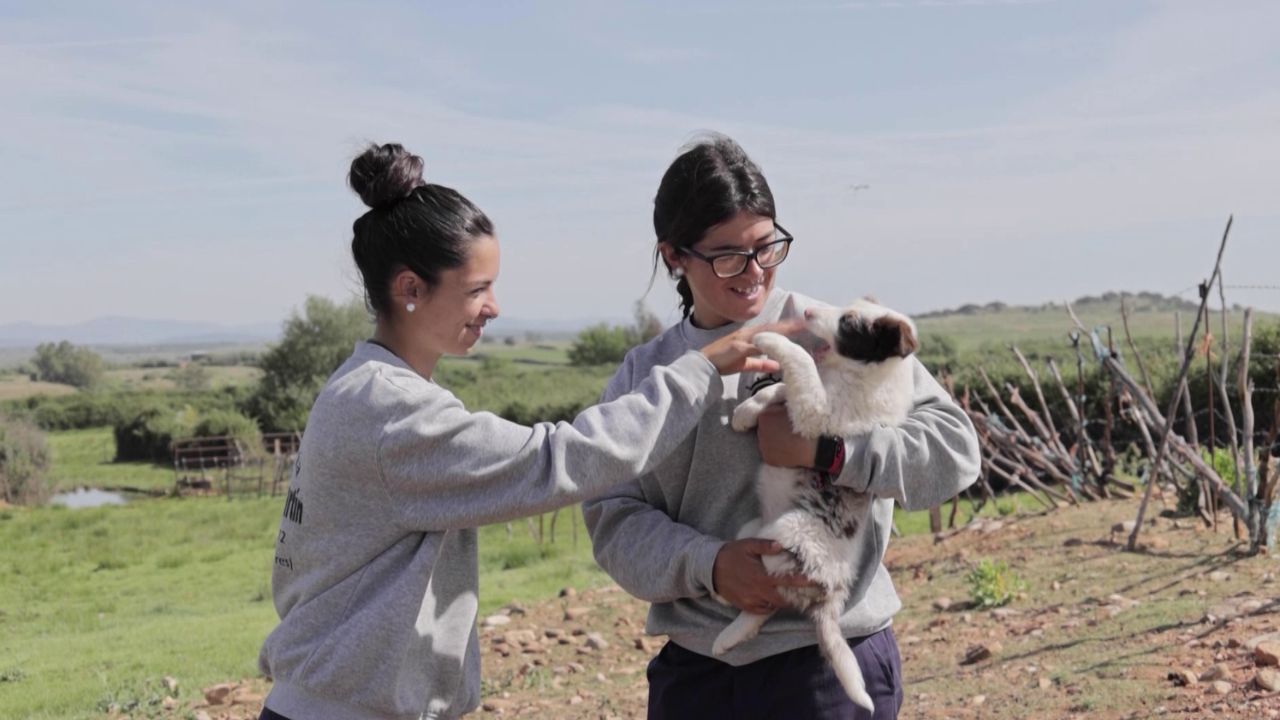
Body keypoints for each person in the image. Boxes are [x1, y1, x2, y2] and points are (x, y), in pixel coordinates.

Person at [256, 142, 799, 720]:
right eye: (476, 289)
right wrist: (700, 369)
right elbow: (559, 461)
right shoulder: (395, 414)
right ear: (411, 289)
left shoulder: (363, 389)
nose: (494, 307)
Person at [583, 134, 982, 720]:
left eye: (767, 248)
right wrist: (711, 565)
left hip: (830, 661)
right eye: (727, 256)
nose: (753, 272)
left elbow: (954, 451)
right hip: (699, 675)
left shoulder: (841, 332)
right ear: (673, 256)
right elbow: (612, 517)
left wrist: (832, 450)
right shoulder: (645, 375)